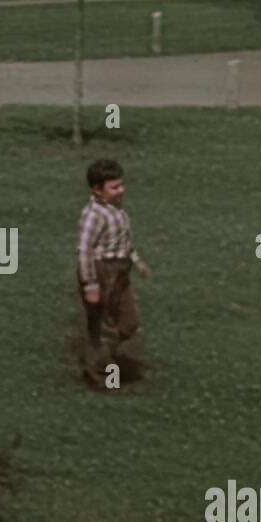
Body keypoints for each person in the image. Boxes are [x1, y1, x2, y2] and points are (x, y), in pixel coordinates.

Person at [76, 159, 150, 388]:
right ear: (97, 190)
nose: (121, 190)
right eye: (114, 187)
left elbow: (123, 241)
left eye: (122, 185)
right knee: (106, 323)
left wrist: (137, 262)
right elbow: (84, 250)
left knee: (129, 322)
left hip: (120, 271)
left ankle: (99, 351)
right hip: (102, 272)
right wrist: (90, 284)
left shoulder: (117, 211)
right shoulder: (93, 215)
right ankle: (101, 374)